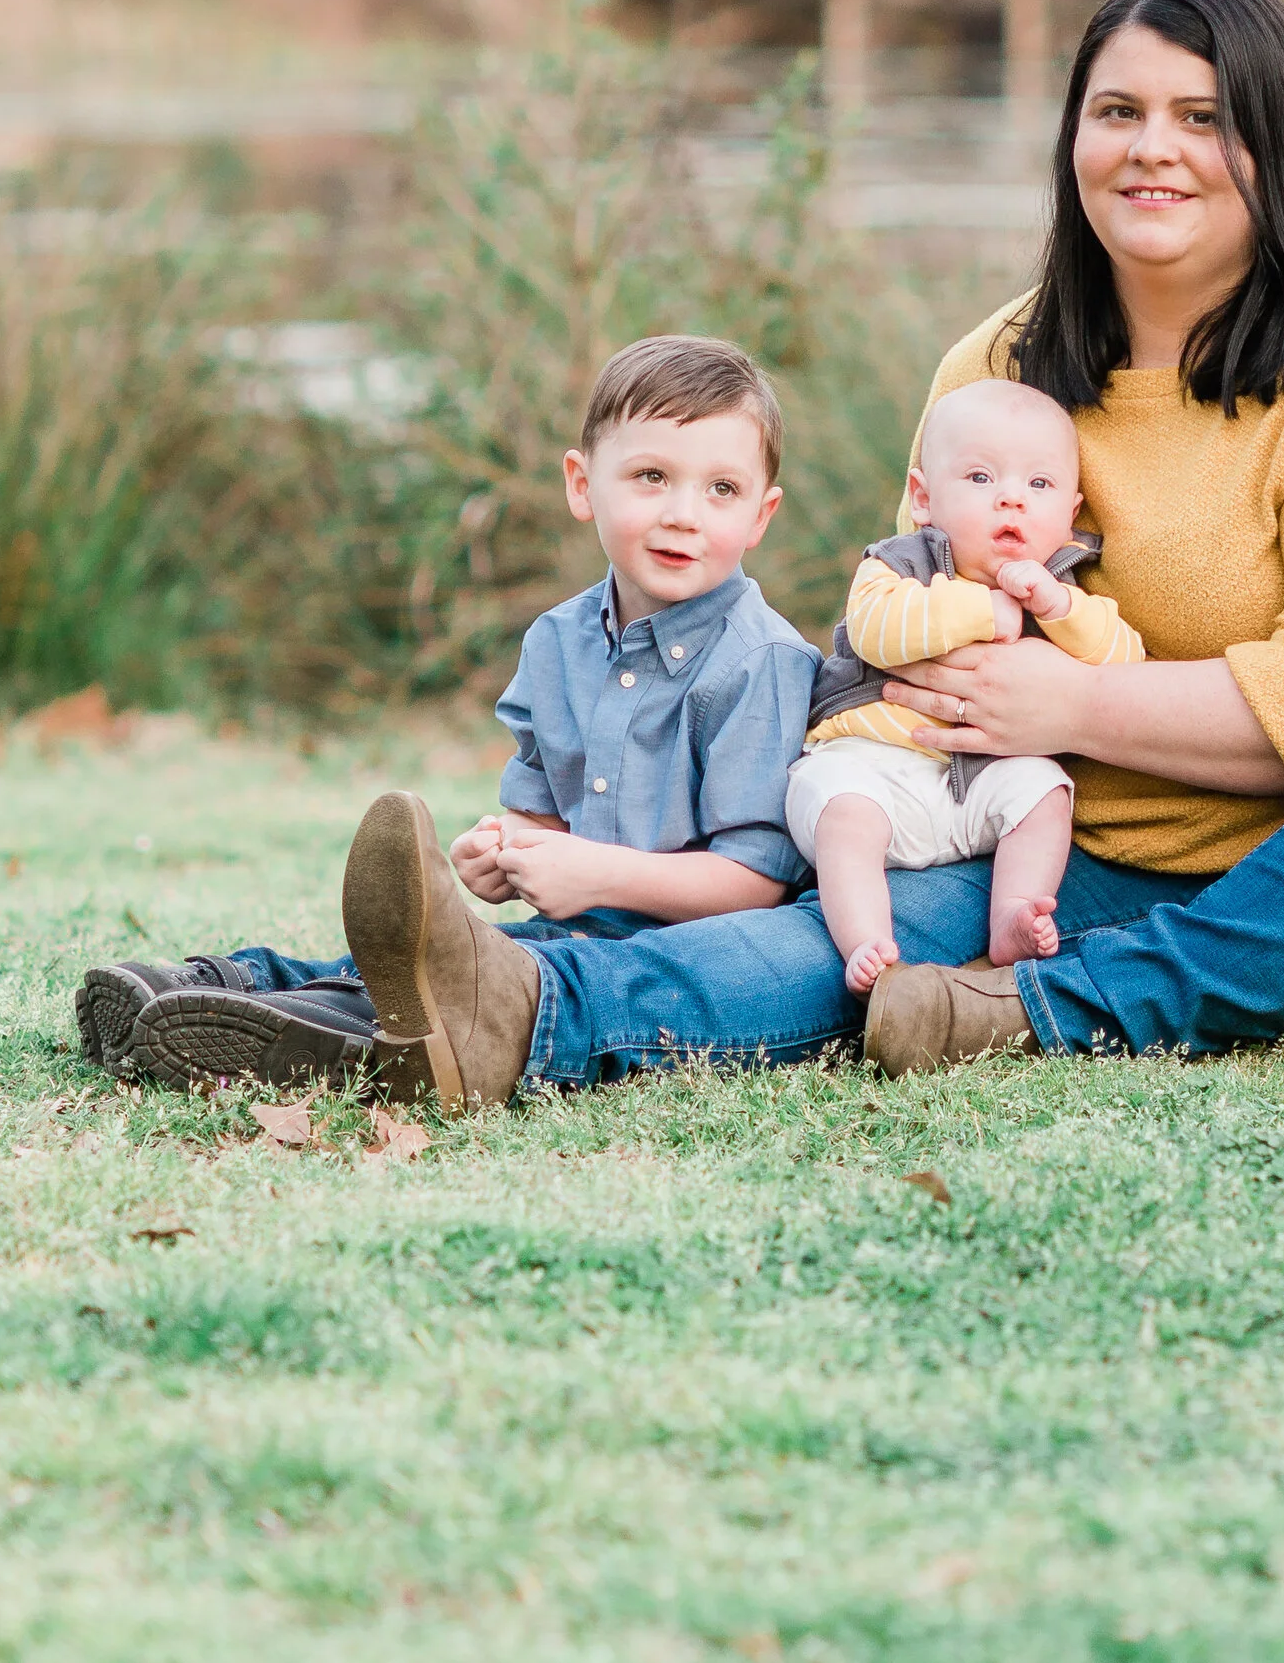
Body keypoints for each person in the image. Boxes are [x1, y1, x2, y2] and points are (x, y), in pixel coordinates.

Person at [195, 0, 1284, 1104]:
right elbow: (918, 664)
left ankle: (1046, 1013)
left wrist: (1076, 701)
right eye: (1117, 109)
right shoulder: (997, 371)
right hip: (1052, 864)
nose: (1151, 147)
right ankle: (383, 1001)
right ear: (1072, 137)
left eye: (1201, 113)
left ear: (1275, 145)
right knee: (832, 932)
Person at [72, 333, 815, 1101]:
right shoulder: (558, 642)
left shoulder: (761, 663)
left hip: (688, 964)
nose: (684, 514)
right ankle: (231, 984)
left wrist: (596, 874)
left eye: (721, 490)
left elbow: (756, 884)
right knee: (452, 964)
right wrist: (504, 856)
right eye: (652, 476)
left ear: (761, 516)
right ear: (581, 483)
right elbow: (540, 823)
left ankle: (310, 1029)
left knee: (471, 980)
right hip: (568, 936)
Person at [789, 375, 1145, 994]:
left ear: (1071, 513)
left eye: (1039, 485)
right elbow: (875, 631)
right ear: (923, 498)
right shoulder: (897, 563)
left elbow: (1126, 662)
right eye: (981, 479)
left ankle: (1014, 914)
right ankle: (867, 940)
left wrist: (1060, 609)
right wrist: (983, 612)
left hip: (979, 783)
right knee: (842, 812)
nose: (1012, 501)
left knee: (1044, 793)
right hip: (876, 765)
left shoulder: (1063, 588)